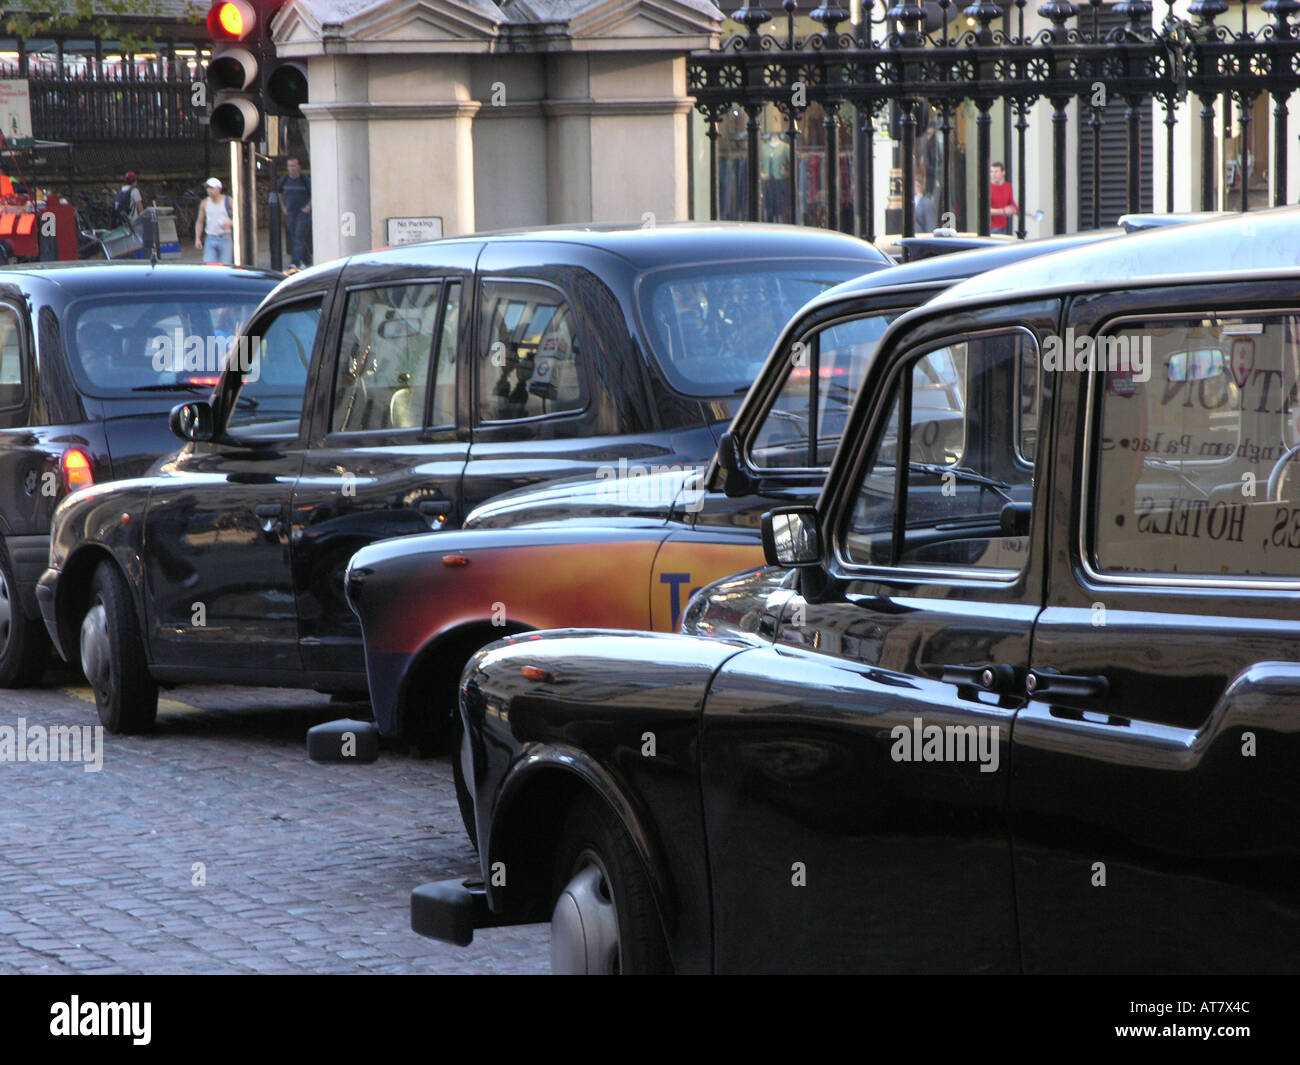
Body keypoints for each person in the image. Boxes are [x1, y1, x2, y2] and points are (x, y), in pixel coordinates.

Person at [278, 156, 312, 268]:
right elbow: (280, 193)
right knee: (297, 238)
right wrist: (283, 207)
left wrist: (308, 207)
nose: (291, 168)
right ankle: (307, 260)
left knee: (298, 237)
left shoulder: (304, 180)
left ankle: (295, 262)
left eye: (294, 166)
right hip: (290, 213)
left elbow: (314, 193)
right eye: (289, 166)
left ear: (299, 167)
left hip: (303, 213)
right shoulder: (284, 180)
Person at [195, 177, 233, 265]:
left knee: (226, 266)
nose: (209, 190)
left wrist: (231, 223)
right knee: (209, 266)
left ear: (219, 189)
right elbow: (200, 221)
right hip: (210, 237)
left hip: (225, 237)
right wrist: (198, 238)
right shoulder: (204, 203)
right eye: (208, 188)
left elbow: (239, 215)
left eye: (212, 188)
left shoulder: (228, 201)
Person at [989, 162, 1018, 235]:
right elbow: (985, 210)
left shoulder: (1007, 187)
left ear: (1003, 173)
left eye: (996, 171)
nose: (993, 174)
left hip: (1004, 227)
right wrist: (1003, 211)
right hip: (991, 228)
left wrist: (1030, 214)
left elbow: (1012, 204)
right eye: (991, 172)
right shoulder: (988, 188)